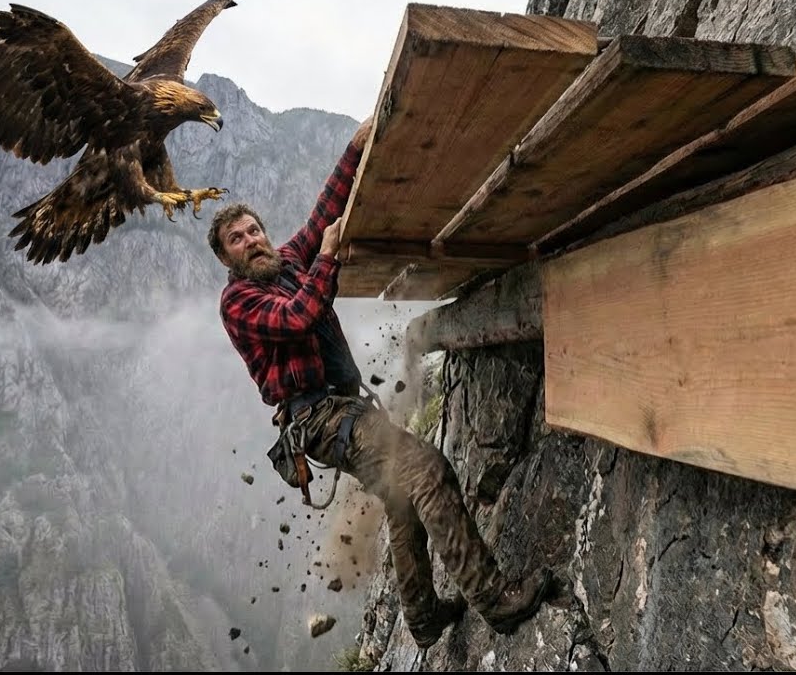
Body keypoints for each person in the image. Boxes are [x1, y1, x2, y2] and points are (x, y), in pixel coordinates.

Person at [207, 118, 551, 649]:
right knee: (428, 471)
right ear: (226, 258)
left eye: (254, 231)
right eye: (237, 239)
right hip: (321, 420)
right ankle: (495, 599)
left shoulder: (288, 262)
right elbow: (299, 317)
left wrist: (354, 148)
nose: (251, 241)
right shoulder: (239, 301)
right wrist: (327, 256)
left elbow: (325, 213)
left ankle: (423, 617)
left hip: (340, 412)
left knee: (400, 497)